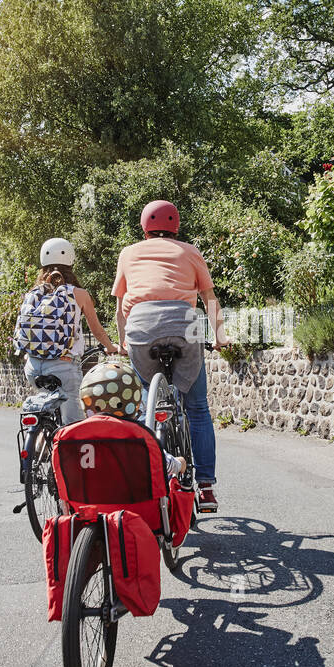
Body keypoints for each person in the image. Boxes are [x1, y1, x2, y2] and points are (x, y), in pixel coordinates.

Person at [112, 200, 230, 511]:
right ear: (176, 226)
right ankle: (205, 486)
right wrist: (219, 337)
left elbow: (120, 304)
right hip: (184, 326)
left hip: (141, 327)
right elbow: (208, 298)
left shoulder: (128, 253)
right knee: (198, 408)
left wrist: (123, 343)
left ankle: (149, 468)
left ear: (144, 227)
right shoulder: (190, 251)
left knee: (145, 406)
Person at [13, 237, 119, 425]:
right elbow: (97, 331)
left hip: (33, 368)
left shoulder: (34, 294)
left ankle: (37, 448)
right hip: (63, 366)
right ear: (71, 261)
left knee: (44, 417)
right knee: (73, 426)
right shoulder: (79, 294)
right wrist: (111, 347)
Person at [76, 358, 185, 478]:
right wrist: (180, 463)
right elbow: (166, 465)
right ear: (135, 404)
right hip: (135, 496)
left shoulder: (75, 443)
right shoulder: (140, 441)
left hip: (90, 496)